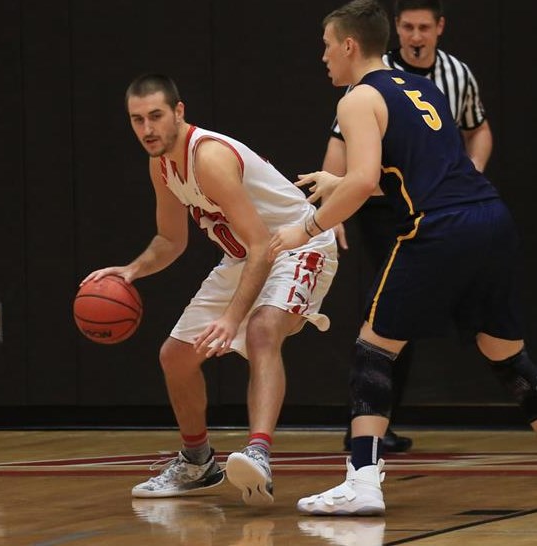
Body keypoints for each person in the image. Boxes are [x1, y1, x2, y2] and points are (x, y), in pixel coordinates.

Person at [269, 0, 537, 516]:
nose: (323, 57)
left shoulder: (358, 98)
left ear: (349, 45)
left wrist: (303, 229)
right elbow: (405, 173)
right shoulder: (423, 87)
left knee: (374, 346)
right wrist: (337, 183)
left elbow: (367, 179)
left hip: (441, 228)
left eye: (327, 46)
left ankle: (362, 480)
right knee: (503, 350)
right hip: (491, 219)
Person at [82, 74, 338, 506]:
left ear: (179, 112)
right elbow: (170, 241)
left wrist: (231, 319)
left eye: (157, 116)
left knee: (260, 331)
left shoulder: (209, 158)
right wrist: (131, 270)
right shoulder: (160, 164)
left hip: (297, 245)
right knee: (175, 355)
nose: (148, 129)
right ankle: (198, 462)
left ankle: (258, 452)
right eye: (138, 119)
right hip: (246, 257)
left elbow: (262, 246)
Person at [322, 0, 493, 453]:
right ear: (394, 30)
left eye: (424, 27)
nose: (416, 36)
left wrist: (469, 170)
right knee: (389, 318)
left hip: (441, 207)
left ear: (440, 28)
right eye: (408, 27)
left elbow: (478, 128)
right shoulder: (367, 88)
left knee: (403, 325)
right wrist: (332, 209)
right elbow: (345, 152)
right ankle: (368, 437)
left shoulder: (452, 78)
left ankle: (365, 458)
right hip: (393, 207)